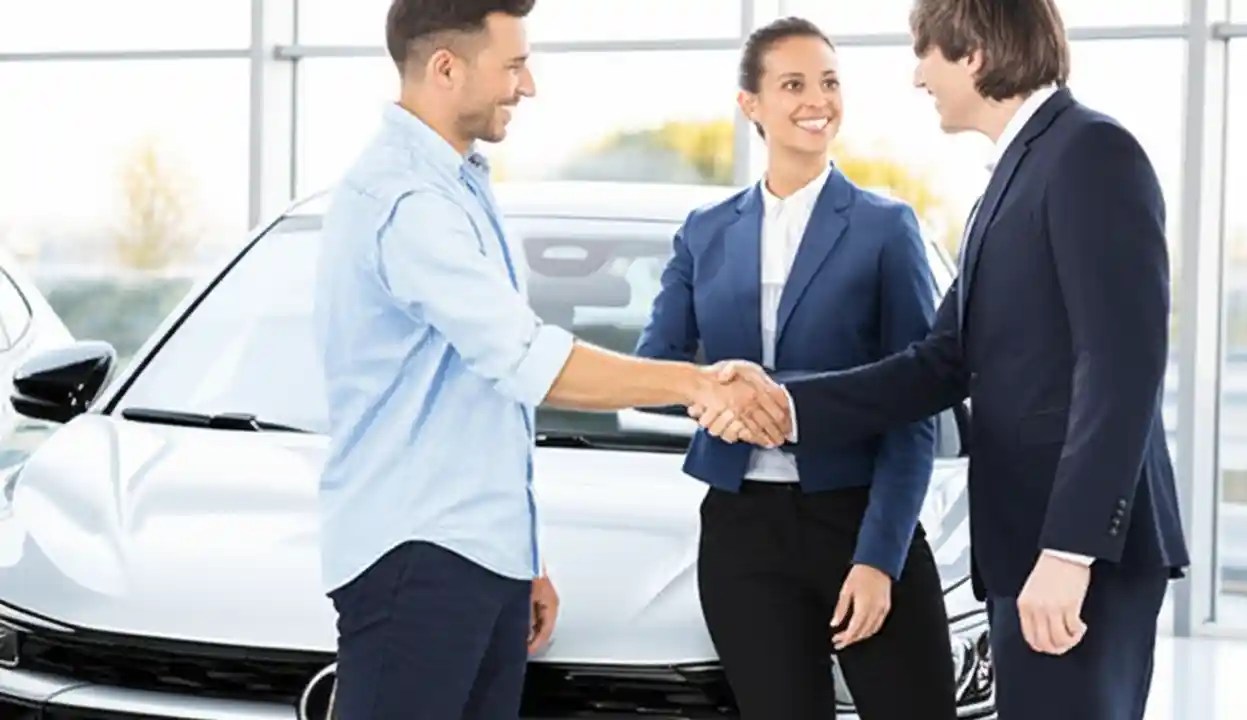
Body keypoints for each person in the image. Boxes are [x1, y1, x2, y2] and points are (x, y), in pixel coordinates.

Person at [697, 1, 1189, 719]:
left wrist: (1071, 551)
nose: (918, 74)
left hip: (1074, 558)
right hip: (1028, 549)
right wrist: (785, 404)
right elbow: (939, 363)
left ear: (974, 56)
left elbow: (1121, 368)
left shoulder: (1090, 154)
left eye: (926, 52)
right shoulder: (1017, 171)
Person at [311, 2, 789, 718]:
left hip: (474, 556)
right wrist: (695, 381)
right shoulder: (407, 200)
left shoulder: (459, 182)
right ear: (446, 67)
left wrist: (519, 556)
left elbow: (473, 399)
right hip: (418, 559)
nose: (526, 86)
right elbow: (530, 360)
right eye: (513, 64)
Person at [634, 17, 955, 720]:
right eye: (794, 84)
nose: (819, 100)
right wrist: (713, 391)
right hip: (741, 532)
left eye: (830, 82)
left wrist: (879, 558)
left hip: (858, 515)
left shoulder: (885, 227)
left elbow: (915, 402)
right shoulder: (705, 231)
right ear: (751, 104)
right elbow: (653, 370)